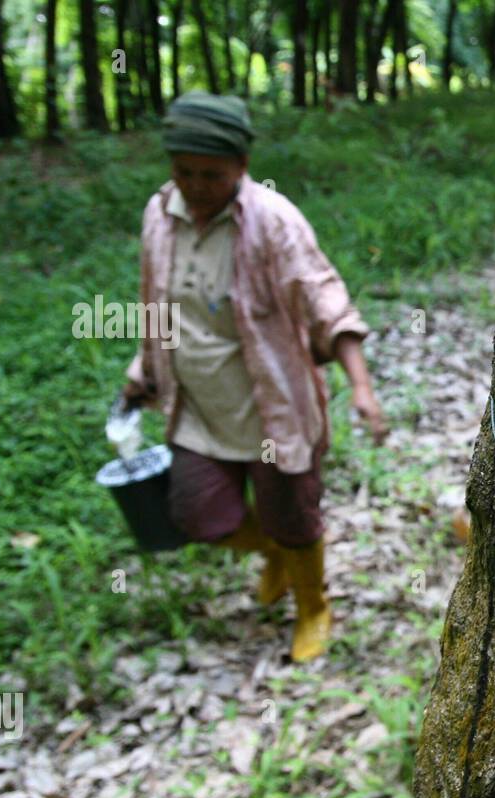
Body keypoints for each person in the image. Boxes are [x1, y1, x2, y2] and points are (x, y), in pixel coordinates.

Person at [121, 92, 386, 662]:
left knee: (292, 516)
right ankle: (276, 556)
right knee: (195, 513)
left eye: (211, 174)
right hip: (198, 406)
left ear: (242, 166)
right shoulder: (158, 215)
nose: (194, 186)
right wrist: (143, 370)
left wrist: (361, 387)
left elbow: (325, 300)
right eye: (183, 171)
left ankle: (313, 604)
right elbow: (154, 305)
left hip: (272, 407)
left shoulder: (272, 220)